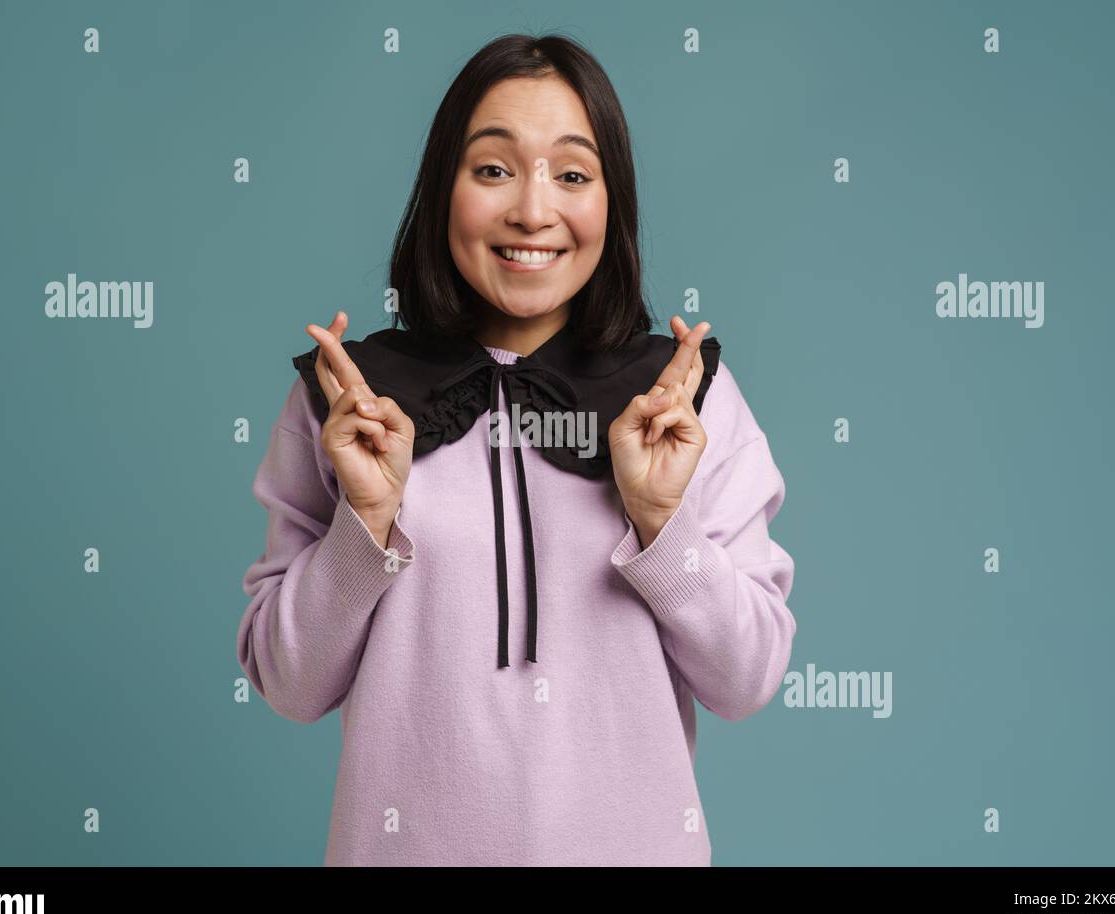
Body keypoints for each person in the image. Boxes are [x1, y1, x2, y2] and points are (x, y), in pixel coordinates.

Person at [237, 32, 796, 866]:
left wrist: (660, 521)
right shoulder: (352, 399)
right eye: (494, 168)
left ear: (614, 201)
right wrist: (367, 520)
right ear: (442, 190)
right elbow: (289, 685)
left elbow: (746, 679)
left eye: (573, 174)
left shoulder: (681, 400)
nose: (533, 211)